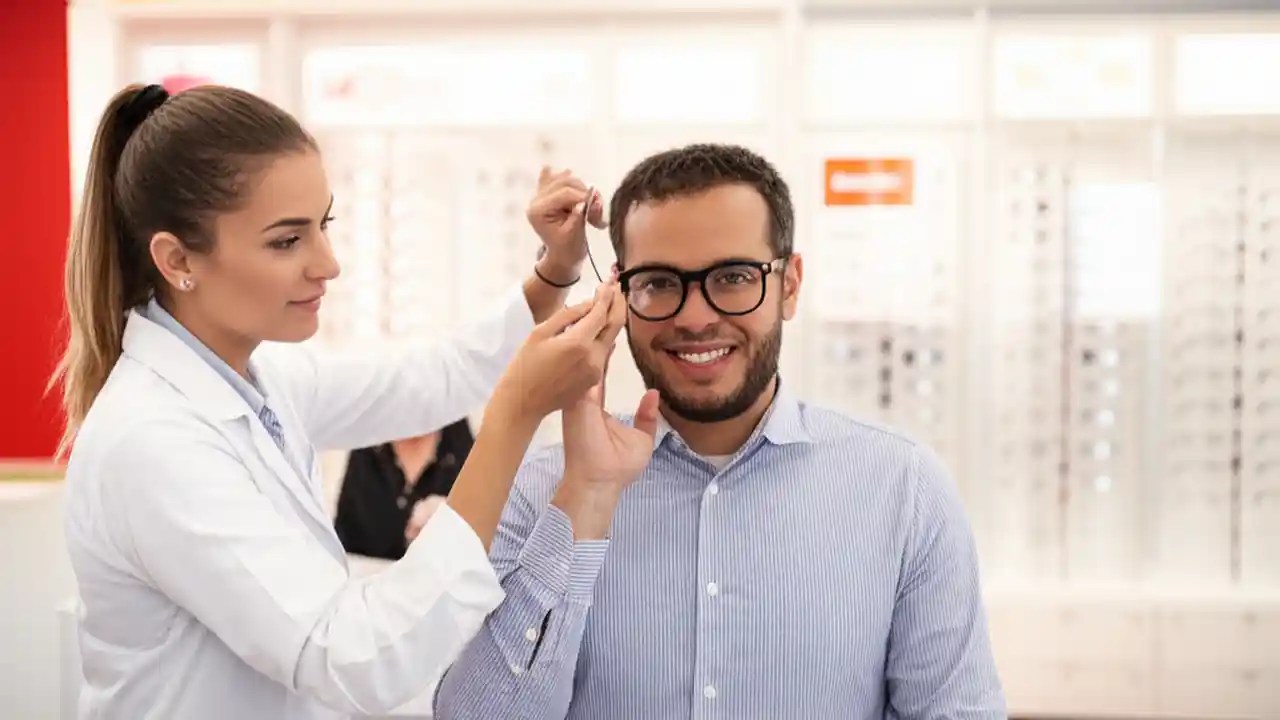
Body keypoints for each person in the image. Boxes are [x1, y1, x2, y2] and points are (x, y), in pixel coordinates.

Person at [53, 83, 644, 720]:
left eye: (323, 225)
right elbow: (354, 658)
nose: (328, 264)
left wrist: (553, 274)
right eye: (287, 241)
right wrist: (517, 413)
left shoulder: (258, 377)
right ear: (177, 260)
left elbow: (430, 378)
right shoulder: (153, 441)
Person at [434, 143, 1006, 718]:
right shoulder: (539, 491)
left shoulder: (904, 489)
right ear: (619, 296)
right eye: (659, 282)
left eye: (733, 277)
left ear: (789, 285)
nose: (694, 316)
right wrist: (584, 498)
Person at [334, 419, 475, 560]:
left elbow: (484, 544)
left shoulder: (463, 444)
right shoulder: (368, 442)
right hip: (370, 576)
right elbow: (342, 542)